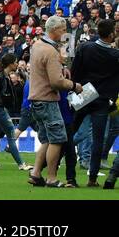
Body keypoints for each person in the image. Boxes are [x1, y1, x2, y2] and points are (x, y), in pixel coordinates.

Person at [26, 16, 84, 188]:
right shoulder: (51, 51)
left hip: (35, 98)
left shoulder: (37, 46)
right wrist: (74, 86)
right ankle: (51, 177)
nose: (65, 33)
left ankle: (36, 173)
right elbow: (56, 82)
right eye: (63, 29)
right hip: (48, 100)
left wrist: (61, 67)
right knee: (57, 139)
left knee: (45, 139)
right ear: (55, 30)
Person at [68, 18, 119, 187]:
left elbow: (74, 71)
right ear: (111, 34)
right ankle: (92, 179)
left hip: (83, 93)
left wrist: (75, 89)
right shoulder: (115, 55)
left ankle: (68, 176)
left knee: (69, 134)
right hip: (101, 99)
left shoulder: (85, 47)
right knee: (98, 140)